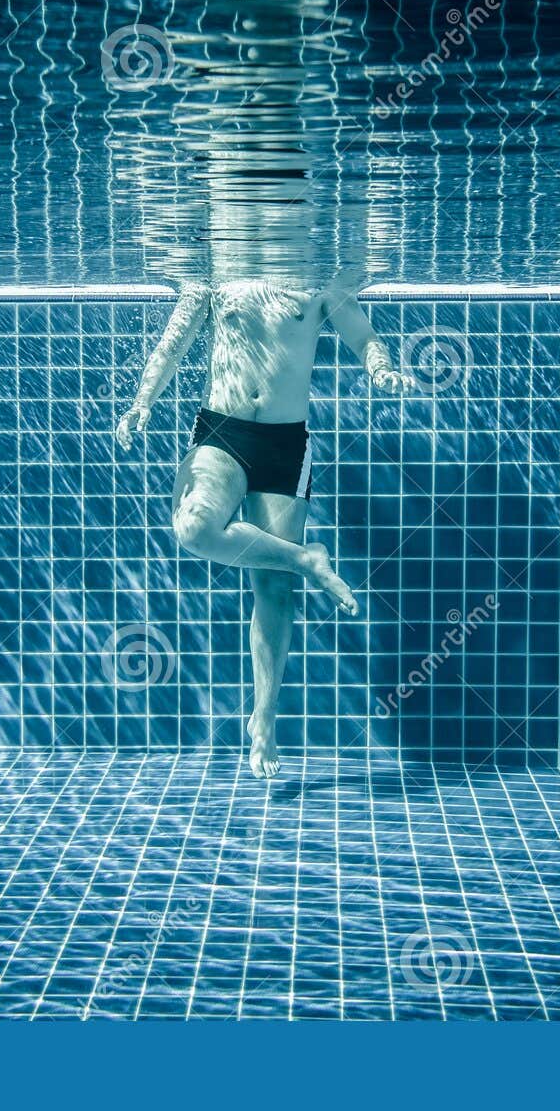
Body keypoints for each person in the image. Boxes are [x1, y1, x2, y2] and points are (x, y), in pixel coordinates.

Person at [115, 274, 415, 778]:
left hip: (284, 446)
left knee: (273, 588)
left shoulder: (323, 278)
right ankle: (306, 559)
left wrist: (381, 370)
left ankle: (265, 717)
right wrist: (142, 400)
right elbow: (173, 343)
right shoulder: (211, 278)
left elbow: (362, 336)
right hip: (222, 431)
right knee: (194, 529)